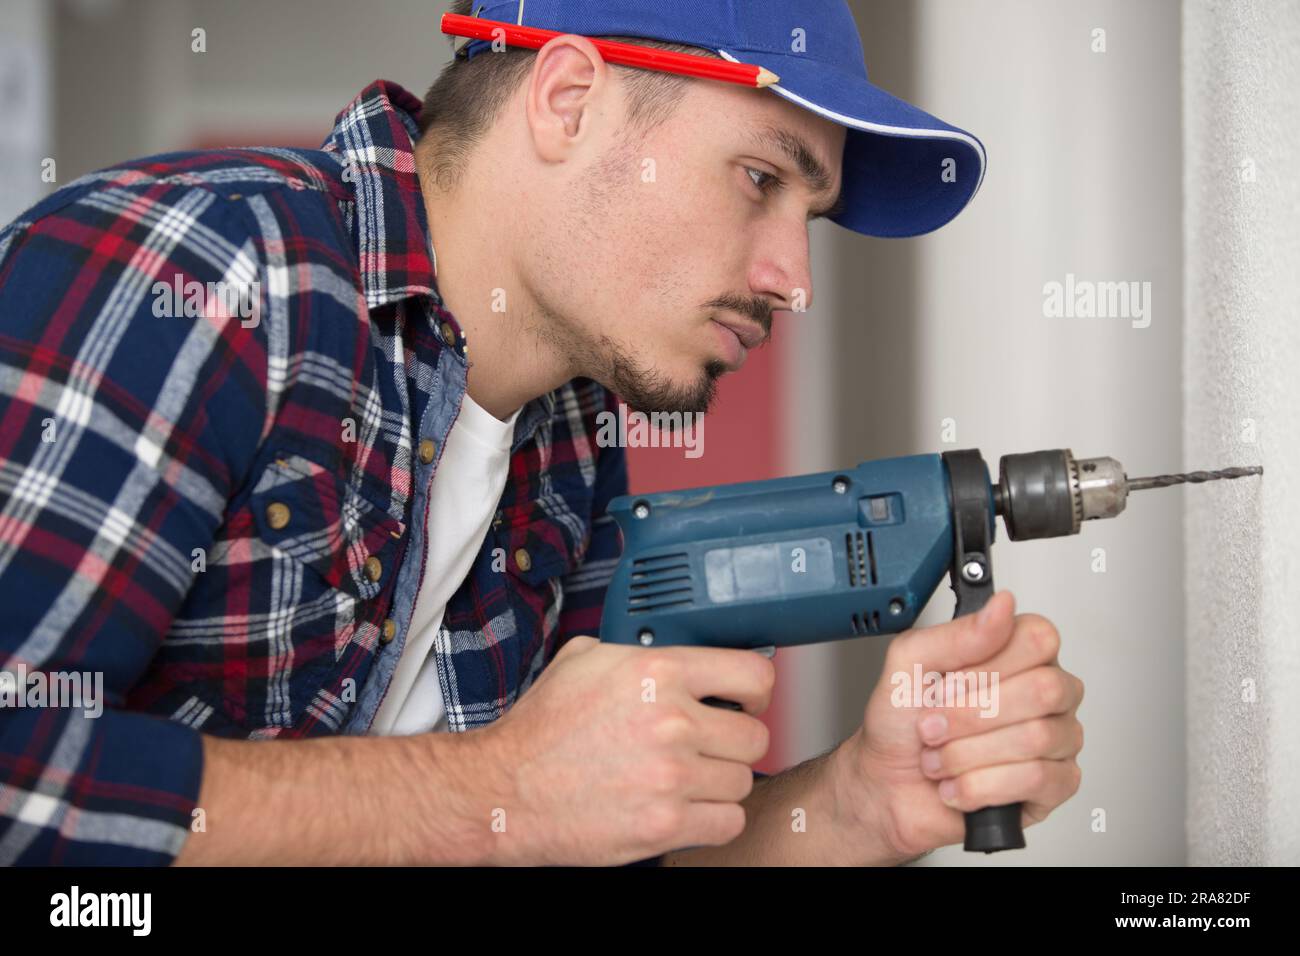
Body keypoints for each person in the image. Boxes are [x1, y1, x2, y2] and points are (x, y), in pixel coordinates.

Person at [0, 0, 1082, 866]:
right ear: (567, 98)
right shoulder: (196, 271)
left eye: (807, 218)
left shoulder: (566, 431)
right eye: (759, 178)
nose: (791, 281)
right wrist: (493, 788)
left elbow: (586, 843)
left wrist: (858, 805)